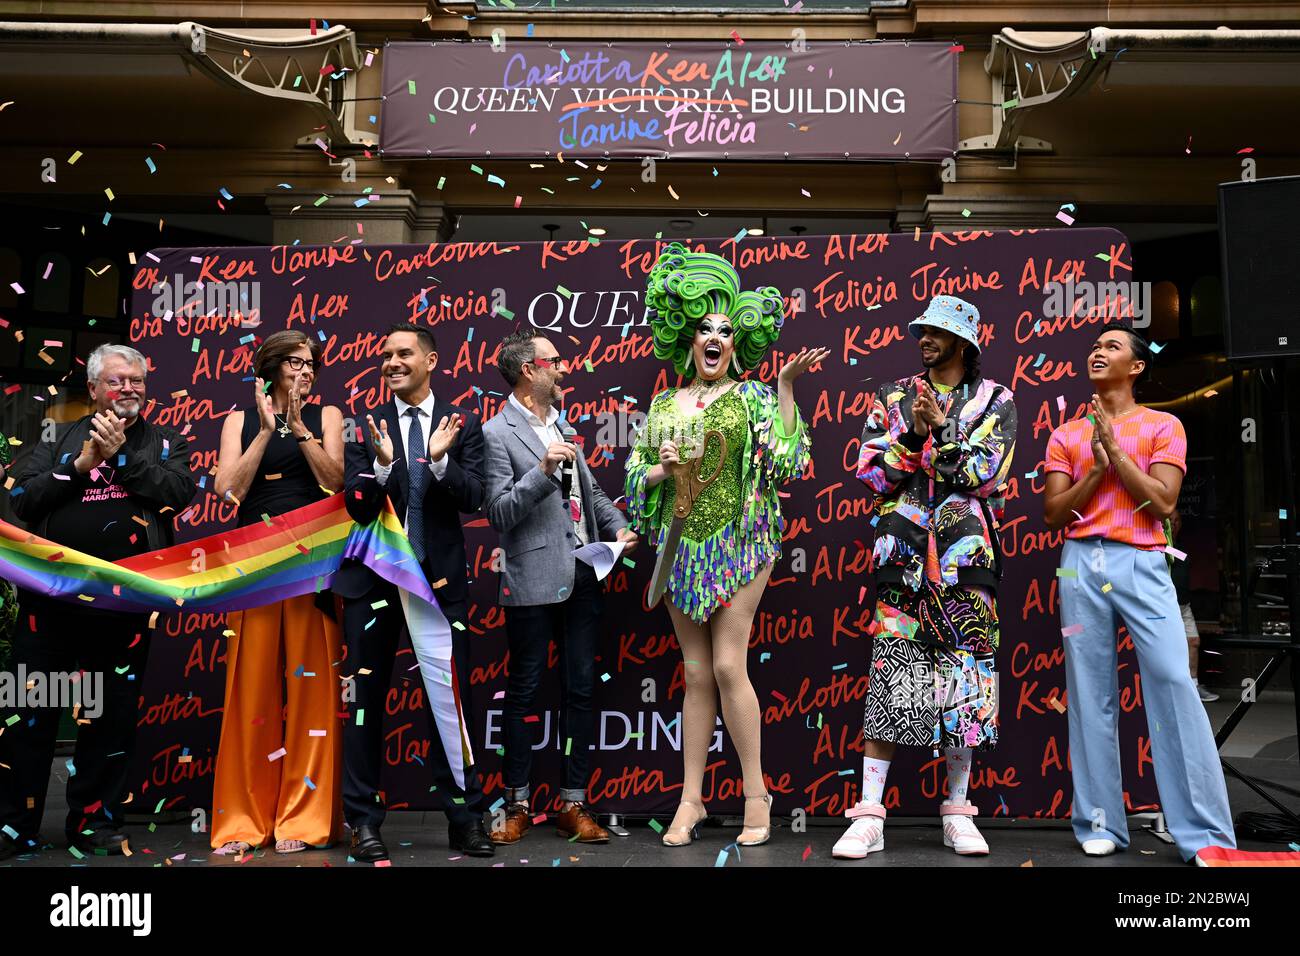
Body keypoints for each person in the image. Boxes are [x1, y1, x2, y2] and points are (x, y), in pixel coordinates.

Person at [624, 243, 826, 848]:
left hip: (740, 544)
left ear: (737, 345)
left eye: (726, 332)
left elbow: (789, 463)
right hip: (679, 547)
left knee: (727, 663)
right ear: (688, 340)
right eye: (704, 330)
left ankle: (756, 795)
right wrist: (658, 470)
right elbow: (635, 478)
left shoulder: (757, 397)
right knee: (693, 672)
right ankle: (690, 800)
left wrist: (787, 387)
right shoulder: (664, 404)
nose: (714, 338)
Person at [1043, 324, 1235, 863]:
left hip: (1143, 559)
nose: (1097, 352)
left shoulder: (1163, 424)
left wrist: (1113, 452)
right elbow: (1055, 513)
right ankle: (1099, 821)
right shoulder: (1065, 435)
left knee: (1174, 681)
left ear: (1136, 367)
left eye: (1111, 347)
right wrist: (1095, 469)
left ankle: (1203, 834)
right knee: (1088, 694)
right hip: (1080, 565)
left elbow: (1164, 503)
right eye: (1094, 346)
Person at [834, 295, 1017, 859]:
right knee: (892, 683)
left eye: (937, 331)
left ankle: (958, 814)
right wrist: (913, 435)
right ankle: (869, 817)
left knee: (965, 688)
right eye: (922, 331)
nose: (925, 339)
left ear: (965, 343)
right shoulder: (893, 396)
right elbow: (871, 474)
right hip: (903, 560)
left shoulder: (997, 399)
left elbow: (986, 476)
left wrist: (943, 435)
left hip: (967, 561)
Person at [0, 344, 197, 860]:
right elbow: (22, 497)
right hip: (50, 605)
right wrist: (82, 465)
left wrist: (123, 458)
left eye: (136, 381)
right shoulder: (55, 436)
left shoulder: (165, 440)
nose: (128, 389)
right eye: (116, 381)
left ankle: (94, 827)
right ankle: (15, 825)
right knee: (30, 716)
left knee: (107, 721)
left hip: (121, 610)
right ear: (92, 389)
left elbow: (179, 491)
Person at [334, 323, 492, 861]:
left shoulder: (461, 425)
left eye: (404, 354)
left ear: (431, 361)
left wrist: (442, 460)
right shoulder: (365, 426)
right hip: (372, 583)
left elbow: (475, 497)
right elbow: (355, 505)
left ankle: (464, 818)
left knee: (450, 706)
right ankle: (363, 822)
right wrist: (379, 466)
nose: (391, 362)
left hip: (438, 583)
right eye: (386, 355)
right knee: (363, 706)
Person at [483, 328, 637, 845]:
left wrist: (617, 529)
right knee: (523, 694)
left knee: (581, 691)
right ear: (530, 370)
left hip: (584, 576)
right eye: (556, 360)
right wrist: (544, 471)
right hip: (530, 580)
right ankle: (517, 804)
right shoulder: (496, 433)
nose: (565, 367)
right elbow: (500, 511)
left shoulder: (564, 423)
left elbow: (589, 495)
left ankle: (575, 803)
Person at [209, 330, 345, 855]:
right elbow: (229, 491)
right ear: (270, 369)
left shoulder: (328, 416)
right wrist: (267, 431)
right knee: (250, 690)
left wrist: (300, 428)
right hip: (254, 566)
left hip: (313, 565)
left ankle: (304, 820)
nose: (307, 371)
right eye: (295, 362)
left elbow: (336, 482)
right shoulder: (238, 422)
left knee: (313, 691)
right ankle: (243, 820)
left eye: (311, 363)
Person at [1170, 510, 1218, 703]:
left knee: (1193, 641)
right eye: (1170, 521)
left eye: (1177, 521)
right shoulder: (1155, 545)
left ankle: (1194, 684)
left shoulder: (1178, 547)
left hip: (1183, 605)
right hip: (1165, 605)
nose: (1173, 524)